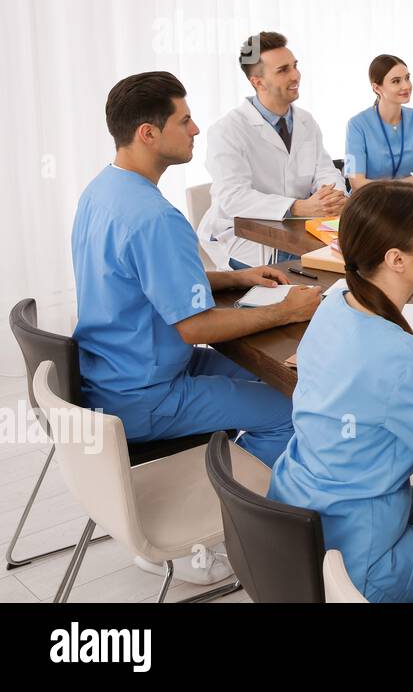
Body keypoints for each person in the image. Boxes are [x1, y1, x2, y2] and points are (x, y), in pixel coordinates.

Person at [73, 72, 321, 580]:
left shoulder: (102, 191)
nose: (196, 129)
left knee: (276, 376)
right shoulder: (156, 217)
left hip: (114, 370)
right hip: (146, 393)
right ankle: (233, 524)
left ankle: (242, 487)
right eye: (184, 120)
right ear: (148, 133)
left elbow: (141, 278)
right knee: (292, 410)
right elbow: (194, 327)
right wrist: (288, 311)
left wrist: (236, 278)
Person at [268, 179, 413, 602]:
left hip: (303, 515)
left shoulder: (335, 301)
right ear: (396, 258)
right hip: (361, 561)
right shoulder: (400, 359)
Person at [199, 31, 346, 269]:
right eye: (283, 70)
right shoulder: (227, 130)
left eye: (295, 66)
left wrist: (332, 197)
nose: (296, 75)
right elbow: (233, 197)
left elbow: (325, 171)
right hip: (245, 236)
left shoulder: (306, 121)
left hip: (297, 229)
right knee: (330, 269)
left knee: (358, 252)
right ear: (258, 82)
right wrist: (298, 207)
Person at [344, 54, 413, 281]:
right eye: (396, 81)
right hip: (373, 209)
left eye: (407, 78)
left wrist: (412, 186)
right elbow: (358, 183)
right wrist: (410, 184)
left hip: (410, 207)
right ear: (377, 88)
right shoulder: (357, 125)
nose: (406, 86)